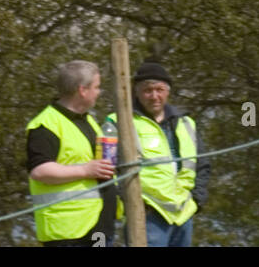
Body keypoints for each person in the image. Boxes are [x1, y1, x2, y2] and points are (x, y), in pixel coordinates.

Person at [106, 61, 209, 248]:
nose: (154, 96)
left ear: (168, 91)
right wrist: (128, 204)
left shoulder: (186, 123)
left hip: (183, 214)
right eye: (147, 90)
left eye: (160, 89)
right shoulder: (117, 122)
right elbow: (108, 169)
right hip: (147, 214)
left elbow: (202, 164)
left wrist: (197, 200)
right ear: (136, 92)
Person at [26, 59, 117, 247]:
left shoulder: (88, 120)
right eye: (97, 87)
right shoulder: (45, 125)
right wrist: (85, 170)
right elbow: (40, 171)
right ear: (82, 90)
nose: (99, 93)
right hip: (68, 233)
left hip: (97, 226)